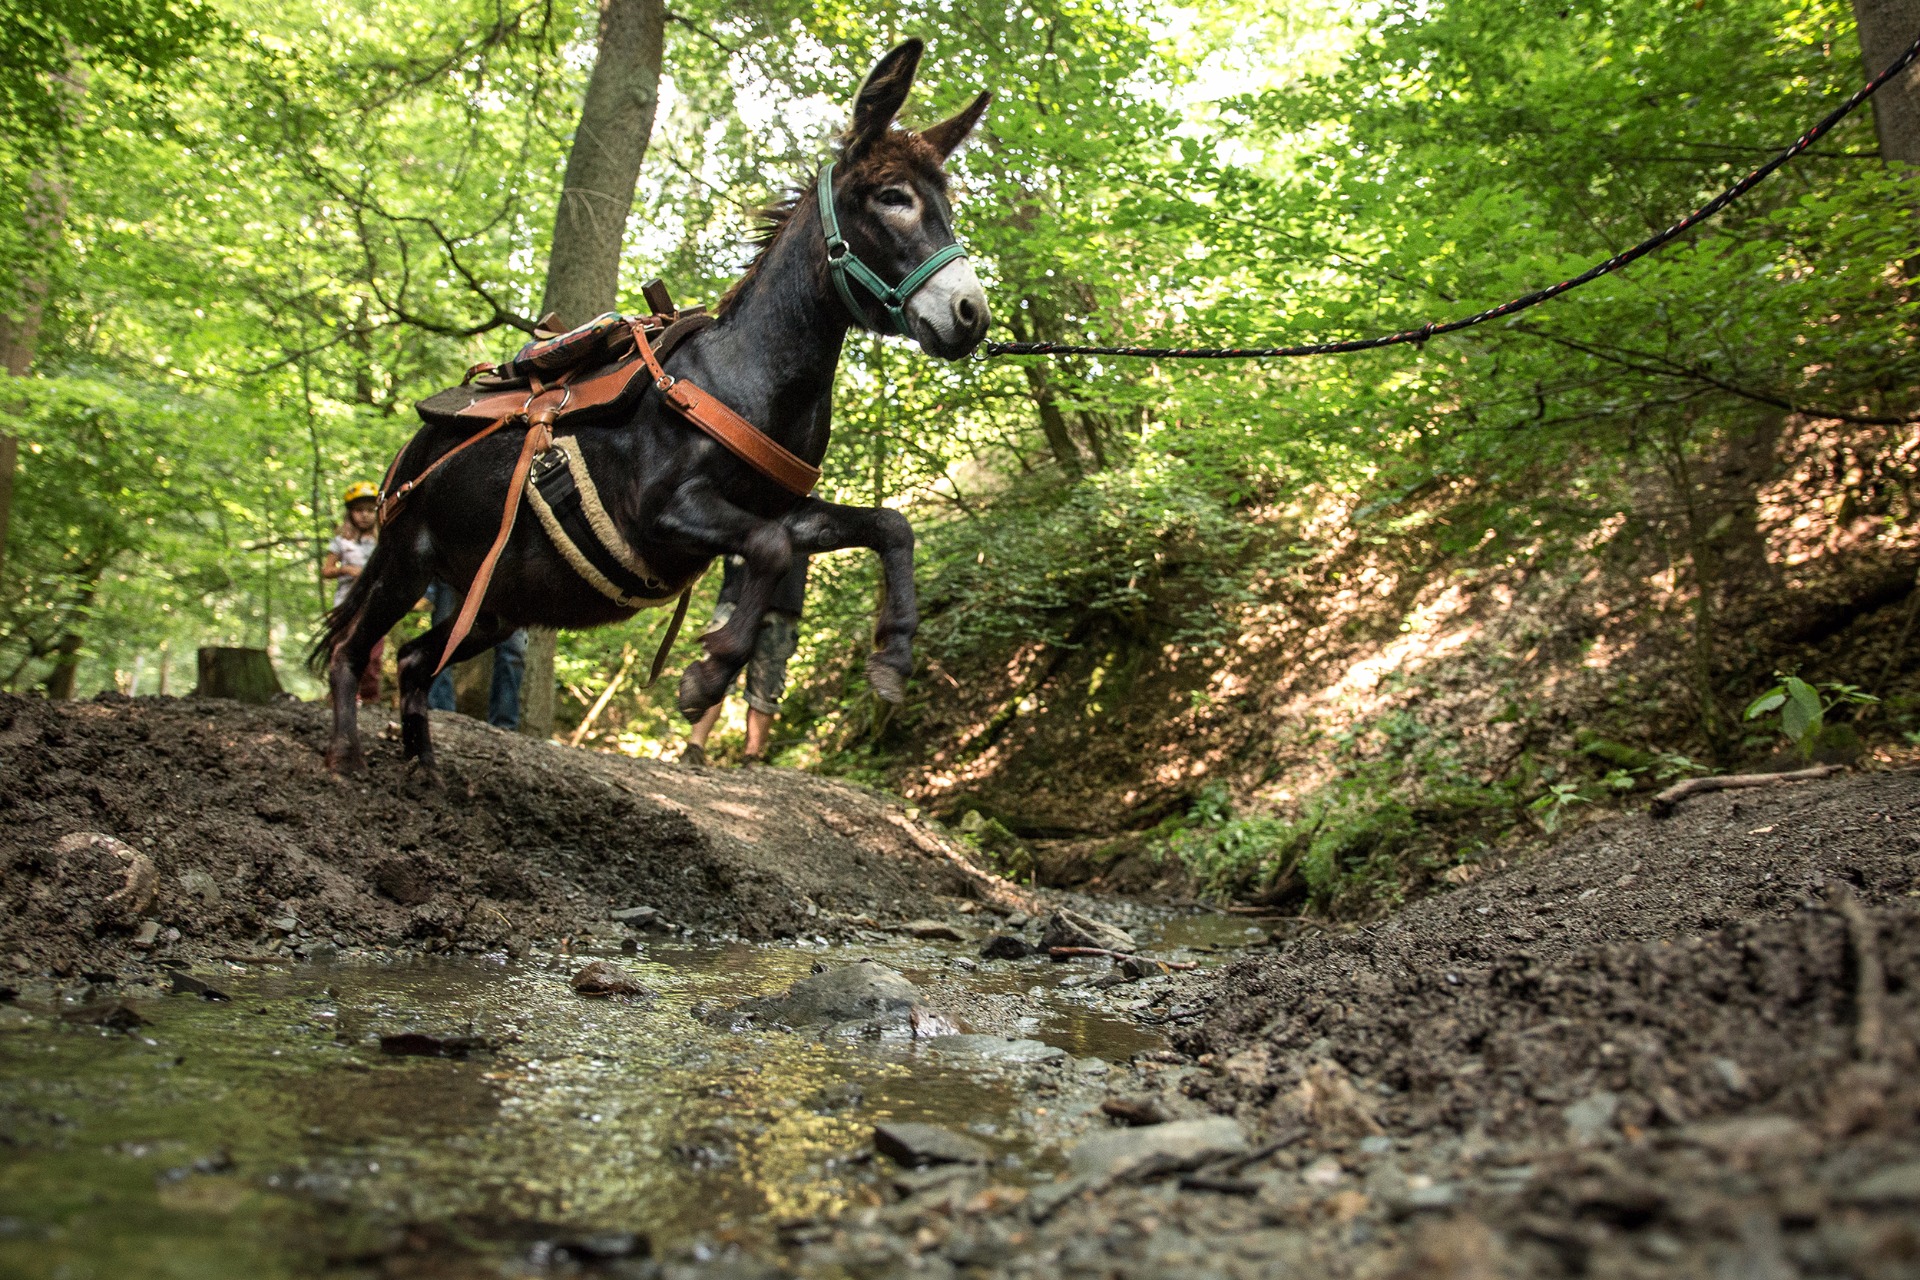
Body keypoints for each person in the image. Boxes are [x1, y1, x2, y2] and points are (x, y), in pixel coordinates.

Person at [682, 554, 809, 765]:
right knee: (715, 672)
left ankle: (752, 757)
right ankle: (695, 748)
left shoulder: (809, 520)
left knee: (768, 684)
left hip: (783, 604)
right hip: (736, 598)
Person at [422, 581, 527, 731]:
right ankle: (440, 714)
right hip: (456, 572)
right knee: (443, 643)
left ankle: (505, 726)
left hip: (507, 579)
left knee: (513, 651)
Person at [321, 482, 384, 703]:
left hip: (373, 605)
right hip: (345, 604)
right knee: (341, 648)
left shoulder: (382, 541)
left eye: (370, 510)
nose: (365, 516)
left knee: (373, 655)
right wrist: (347, 569)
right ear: (351, 513)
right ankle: (340, 693)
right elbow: (326, 570)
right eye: (359, 511)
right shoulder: (341, 542)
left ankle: (369, 697)